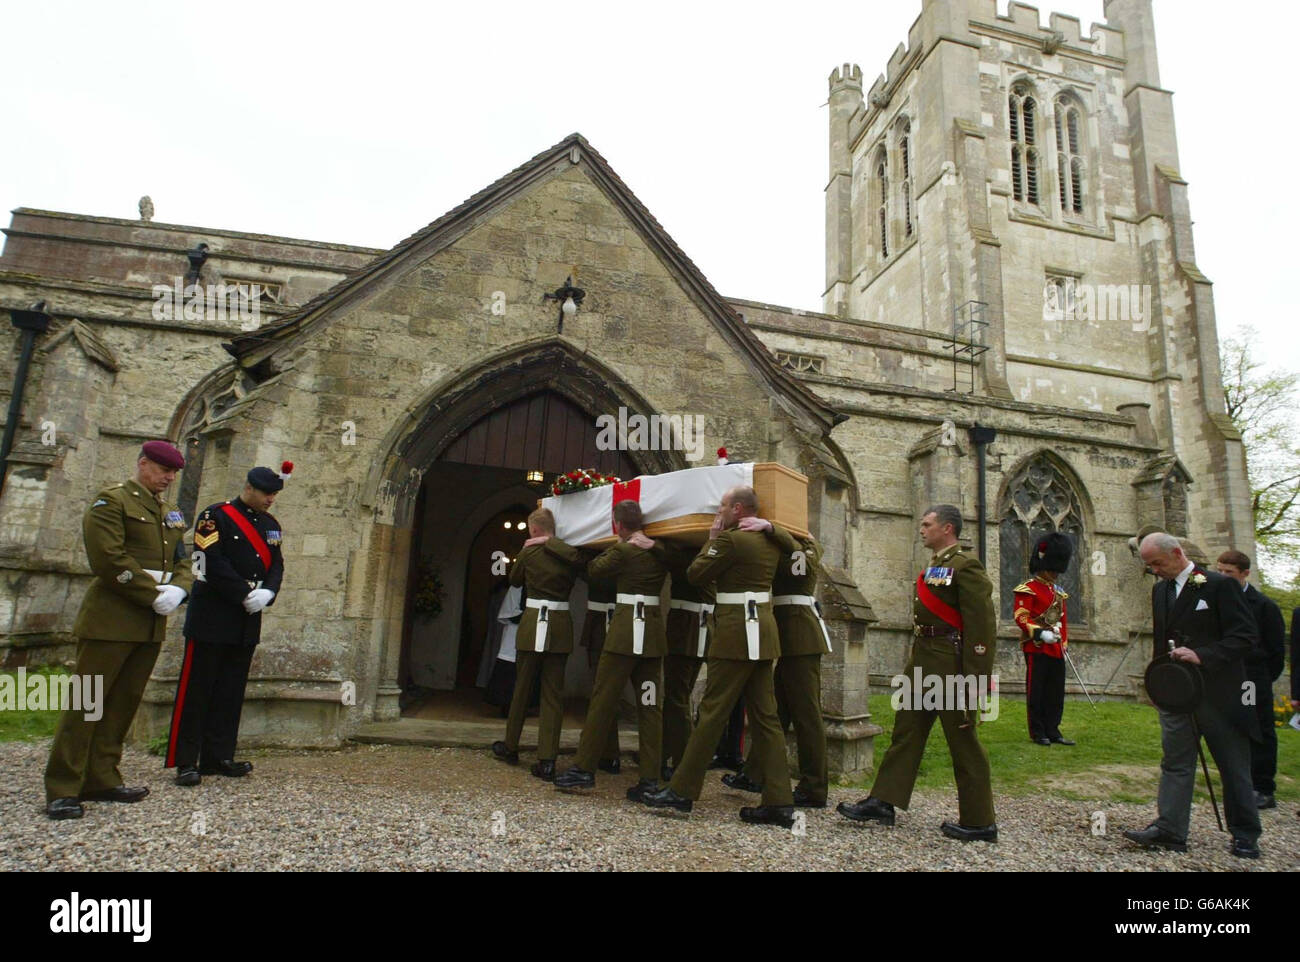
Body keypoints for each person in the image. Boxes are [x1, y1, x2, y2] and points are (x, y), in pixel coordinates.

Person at [44, 441, 193, 819]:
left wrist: (180, 588)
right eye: (163, 470)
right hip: (111, 619)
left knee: (122, 704)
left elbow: (184, 560)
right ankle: (63, 786)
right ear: (143, 464)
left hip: (149, 625)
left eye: (173, 472)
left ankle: (102, 777)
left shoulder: (170, 512)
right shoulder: (111, 502)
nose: (169, 478)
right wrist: (150, 594)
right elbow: (107, 558)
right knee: (86, 703)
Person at [838, 505, 998, 842]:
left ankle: (980, 820)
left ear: (948, 529)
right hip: (923, 660)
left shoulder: (965, 565)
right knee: (906, 731)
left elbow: (981, 629)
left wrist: (976, 681)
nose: (921, 530)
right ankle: (884, 800)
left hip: (951, 665)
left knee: (963, 739)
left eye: (928, 524)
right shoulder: (937, 566)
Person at [642, 486, 795, 827]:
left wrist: (712, 538)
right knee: (766, 719)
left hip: (734, 634)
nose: (719, 509)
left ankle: (681, 792)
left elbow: (696, 575)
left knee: (712, 711)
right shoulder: (771, 542)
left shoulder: (729, 541)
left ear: (738, 509)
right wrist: (772, 527)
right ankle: (780, 801)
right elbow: (797, 547)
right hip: (763, 635)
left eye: (724, 505)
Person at [1122, 533, 1261, 858]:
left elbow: (1245, 637)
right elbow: (1161, 643)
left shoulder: (1218, 585)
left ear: (1177, 553)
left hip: (1219, 694)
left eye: (1157, 563)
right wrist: (1157, 686)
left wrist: (1203, 655)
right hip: (1177, 695)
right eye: (1149, 565)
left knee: (1231, 764)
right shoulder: (1160, 592)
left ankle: (1245, 833)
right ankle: (1170, 829)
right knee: (1175, 762)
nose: (1154, 571)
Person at [165, 465, 288, 785]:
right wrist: (243, 594)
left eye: (274, 494)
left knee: (230, 691)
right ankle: (185, 760)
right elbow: (208, 561)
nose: (271, 499)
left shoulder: (271, 525)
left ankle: (218, 756)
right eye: (266, 493)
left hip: (247, 618)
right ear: (249, 488)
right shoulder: (215, 516)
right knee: (198, 689)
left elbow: (276, 564)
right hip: (213, 614)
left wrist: (268, 593)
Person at [554, 500, 668, 799]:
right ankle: (650, 779)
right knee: (650, 704)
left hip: (623, 637)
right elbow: (680, 563)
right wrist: (654, 546)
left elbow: (594, 570)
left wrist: (613, 544)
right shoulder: (662, 552)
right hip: (651, 638)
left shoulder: (622, 551)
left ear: (617, 525)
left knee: (603, 699)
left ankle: (584, 769)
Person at [725, 527, 832, 808]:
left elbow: (801, 566)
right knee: (777, 711)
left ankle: (814, 787)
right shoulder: (787, 546)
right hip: (787, 634)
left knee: (807, 715)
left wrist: (773, 530)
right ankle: (755, 773)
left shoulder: (807, 547)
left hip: (802, 637)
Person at [492, 508, 583, 781]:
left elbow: (515, 579)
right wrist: (553, 543)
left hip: (533, 624)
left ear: (534, 530)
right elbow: (580, 562)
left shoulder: (530, 552)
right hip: (559, 625)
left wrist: (529, 548)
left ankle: (511, 746)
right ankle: (547, 760)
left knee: (521, 687)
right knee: (552, 695)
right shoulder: (568, 552)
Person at [1213, 550, 1285, 811]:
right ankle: (1239, 783)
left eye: (1228, 573)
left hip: (1251, 680)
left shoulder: (1263, 606)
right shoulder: (1216, 599)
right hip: (1224, 677)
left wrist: (1258, 678)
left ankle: (1263, 787)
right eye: (1219, 571)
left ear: (1245, 574)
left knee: (1258, 727)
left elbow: (1276, 652)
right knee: (1231, 728)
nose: (1222, 577)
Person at [1013, 532, 1074, 747]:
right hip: (1037, 646)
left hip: (1055, 648)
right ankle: (1038, 731)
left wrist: (1063, 643)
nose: (1055, 574)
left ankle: (1053, 729)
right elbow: (1021, 618)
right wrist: (1041, 634)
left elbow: (1063, 621)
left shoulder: (1058, 592)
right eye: (1052, 569)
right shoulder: (1028, 589)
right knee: (1037, 691)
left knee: (1055, 692)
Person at [660, 542, 712, 782]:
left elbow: (685, 566)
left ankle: (682, 763)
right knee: (680, 695)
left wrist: (652, 544)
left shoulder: (701, 554)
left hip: (687, 628)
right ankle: (666, 753)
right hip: (701, 626)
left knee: (676, 697)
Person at [579, 572, 626, 775]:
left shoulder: (601, 563)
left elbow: (588, 568)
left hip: (606, 627)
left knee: (603, 695)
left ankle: (605, 755)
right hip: (624, 623)